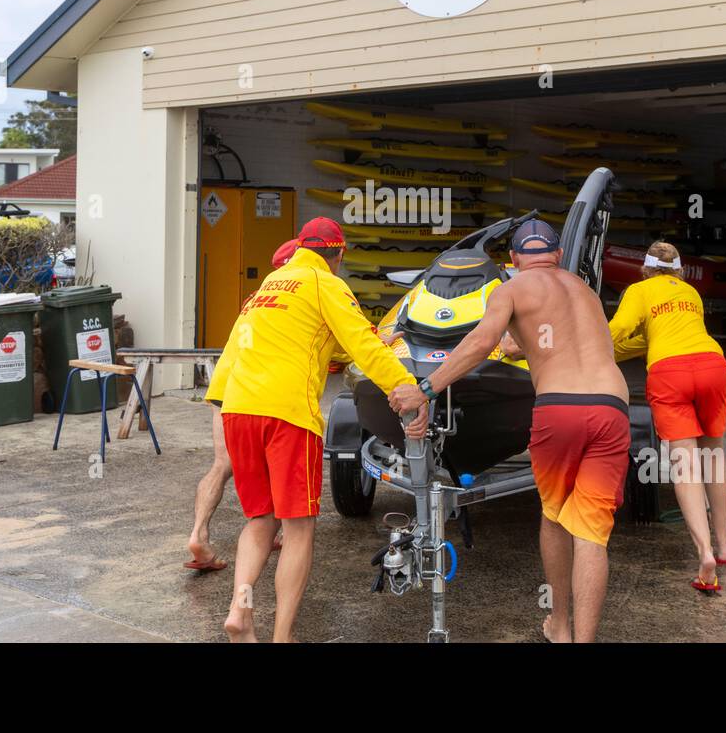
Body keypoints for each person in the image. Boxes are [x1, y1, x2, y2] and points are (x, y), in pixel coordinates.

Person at [389, 220, 630, 643]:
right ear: (556, 255)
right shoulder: (586, 292)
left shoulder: (511, 288)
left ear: (514, 261)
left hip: (560, 408)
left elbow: (482, 342)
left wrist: (425, 389)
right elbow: (570, 340)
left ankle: (558, 624)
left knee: (555, 519)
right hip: (611, 407)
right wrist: (524, 343)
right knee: (592, 533)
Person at [210, 217, 422, 642]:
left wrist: (224, 405)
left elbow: (234, 356)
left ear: (300, 246)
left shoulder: (266, 288)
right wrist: (409, 389)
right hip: (287, 416)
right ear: (339, 256)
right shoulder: (326, 284)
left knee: (259, 519)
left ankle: (241, 609)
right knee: (299, 528)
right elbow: (361, 344)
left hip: (237, 409)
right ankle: (282, 636)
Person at [607, 241, 726, 594]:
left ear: (645, 269)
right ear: (678, 270)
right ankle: (724, 546)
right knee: (713, 456)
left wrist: (591, 348)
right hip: (712, 365)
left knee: (685, 463)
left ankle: (704, 553)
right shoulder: (691, 293)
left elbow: (620, 331)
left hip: (670, 373)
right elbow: (658, 336)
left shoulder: (638, 290)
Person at [187, 239, 301, 572]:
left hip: (225, 385)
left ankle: (199, 534)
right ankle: (273, 530)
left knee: (222, 464)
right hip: (254, 392)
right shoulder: (297, 298)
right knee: (274, 463)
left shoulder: (257, 298)